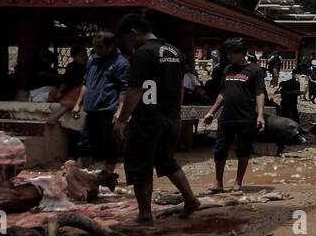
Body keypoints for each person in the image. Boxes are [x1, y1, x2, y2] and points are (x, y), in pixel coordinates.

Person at [113, 14, 201, 225]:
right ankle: (190, 198)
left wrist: (122, 120)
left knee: (139, 163)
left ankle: (144, 214)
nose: (127, 46)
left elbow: (136, 89)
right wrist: (175, 112)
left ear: (133, 34)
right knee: (166, 160)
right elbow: (181, 86)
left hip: (147, 118)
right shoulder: (174, 51)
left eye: (126, 40)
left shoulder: (143, 53)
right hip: (171, 116)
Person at [202, 37, 266, 194]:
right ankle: (218, 183)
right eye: (227, 53)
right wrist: (212, 112)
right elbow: (223, 92)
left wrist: (260, 115)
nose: (229, 56)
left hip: (246, 116)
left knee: (243, 150)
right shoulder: (227, 69)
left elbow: (259, 93)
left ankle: (238, 182)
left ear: (241, 53)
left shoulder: (255, 70)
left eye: (231, 53)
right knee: (220, 148)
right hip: (227, 116)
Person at [68, 31, 130, 174]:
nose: (96, 49)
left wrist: (120, 111)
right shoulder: (92, 60)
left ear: (111, 46)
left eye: (100, 47)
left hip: (109, 110)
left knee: (109, 145)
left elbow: (124, 90)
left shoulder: (121, 63)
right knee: (84, 144)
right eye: (95, 46)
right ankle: (84, 175)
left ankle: (108, 177)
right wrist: (78, 104)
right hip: (91, 110)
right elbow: (85, 83)